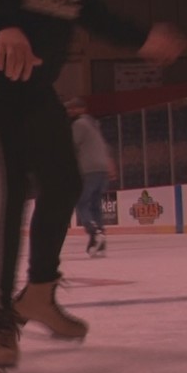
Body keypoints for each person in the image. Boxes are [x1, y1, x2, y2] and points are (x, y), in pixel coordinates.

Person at [0, 0, 185, 373]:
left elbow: (82, 7)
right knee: (9, 183)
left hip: (34, 80)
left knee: (64, 182)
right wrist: (1, 27)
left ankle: (38, 292)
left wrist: (139, 38)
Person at [67, 97, 114, 255]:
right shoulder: (94, 124)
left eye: (72, 109)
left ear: (81, 109)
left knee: (81, 202)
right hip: (102, 170)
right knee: (95, 205)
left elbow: (71, 145)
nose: (70, 112)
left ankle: (94, 233)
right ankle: (100, 241)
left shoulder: (79, 124)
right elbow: (104, 146)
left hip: (89, 169)